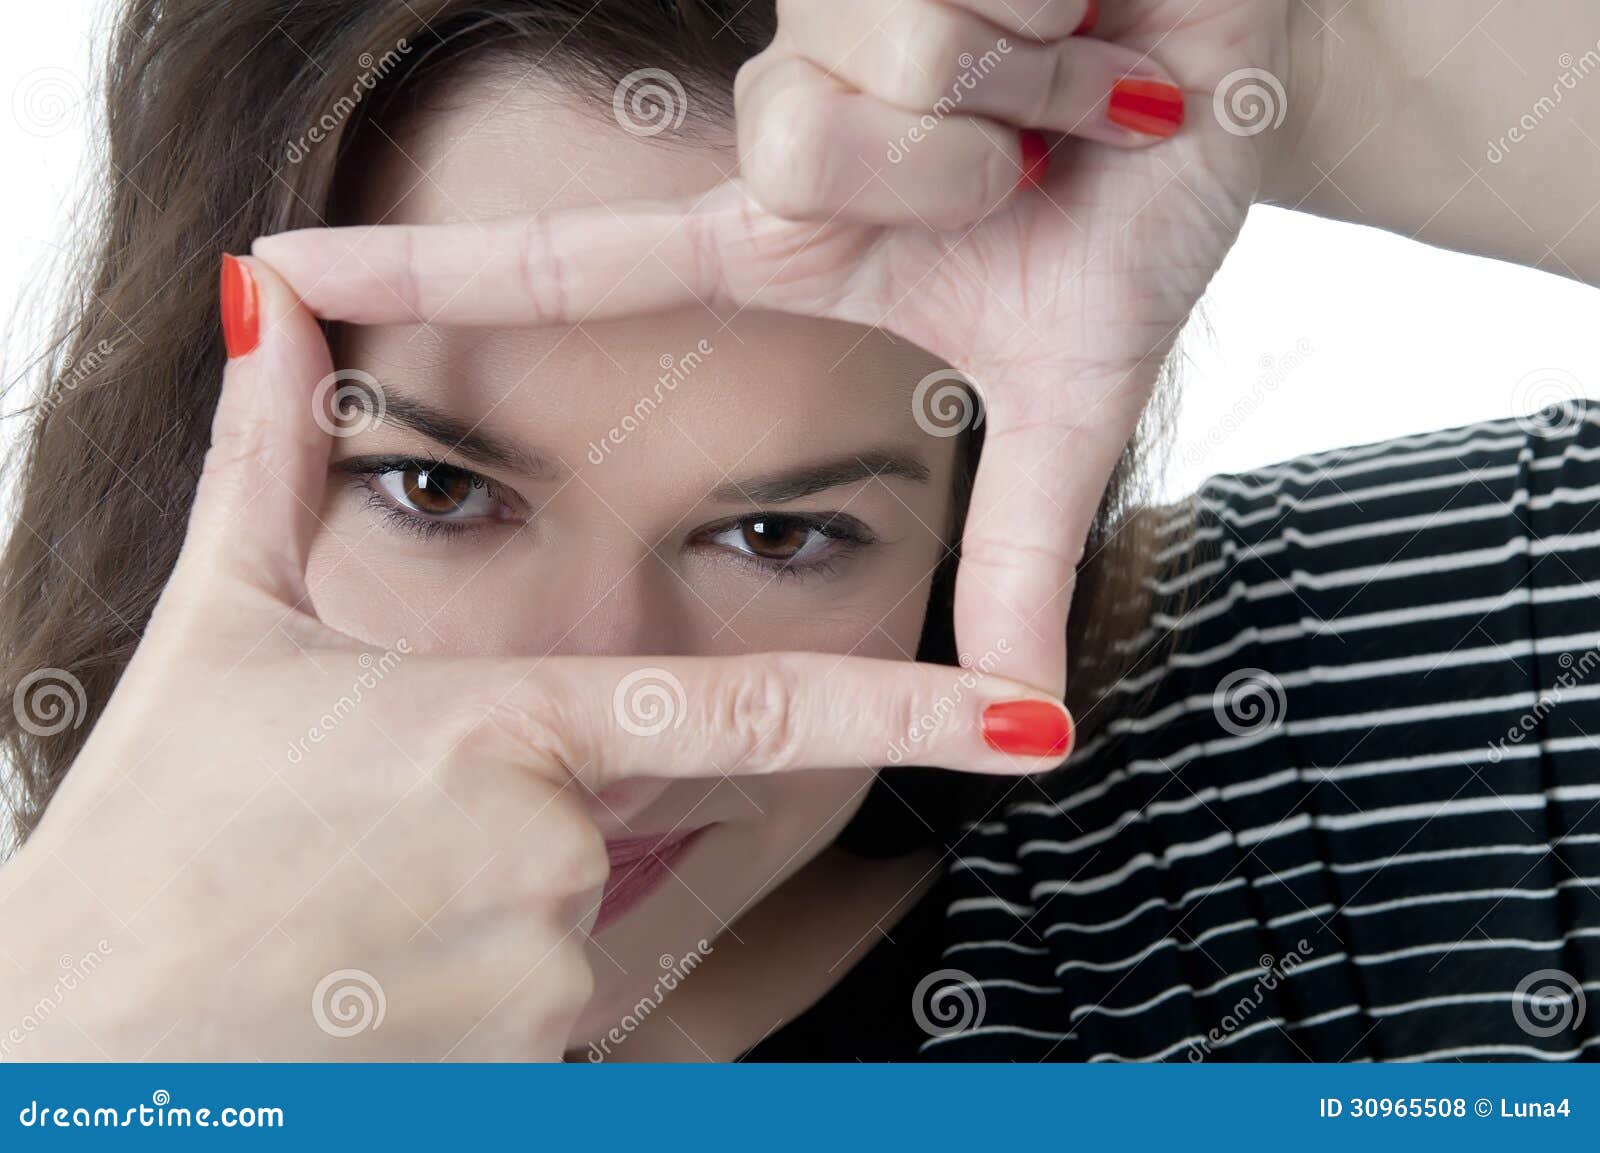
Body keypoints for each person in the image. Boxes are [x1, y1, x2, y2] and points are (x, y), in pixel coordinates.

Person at [0, 0, 1595, 1061]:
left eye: (782, 533)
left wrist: (1328, 61)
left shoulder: (1317, 768)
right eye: (436, 489)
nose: (604, 710)